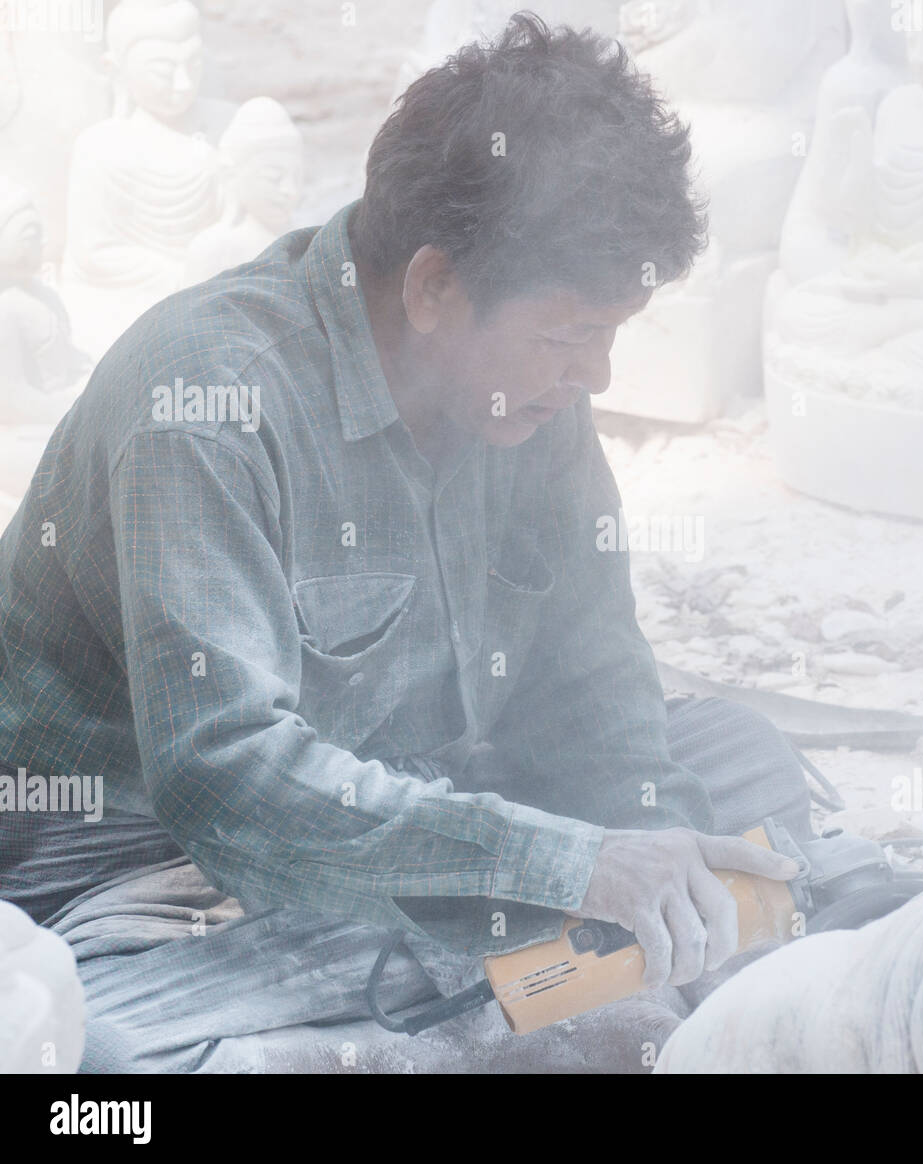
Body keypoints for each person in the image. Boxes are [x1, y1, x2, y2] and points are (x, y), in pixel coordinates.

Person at [0, 15, 812, 1072]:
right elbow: (231, 783)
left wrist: (652, 870)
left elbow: (591, 673)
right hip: (150, 862)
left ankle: (480, 981)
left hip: (401, 791)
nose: (597, 377)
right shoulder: (204, 407)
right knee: (96, 1053)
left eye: (611, 336)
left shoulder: (528, 394)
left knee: (735, 766)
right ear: (433, 286)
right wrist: (572, 869)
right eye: (571, 334)